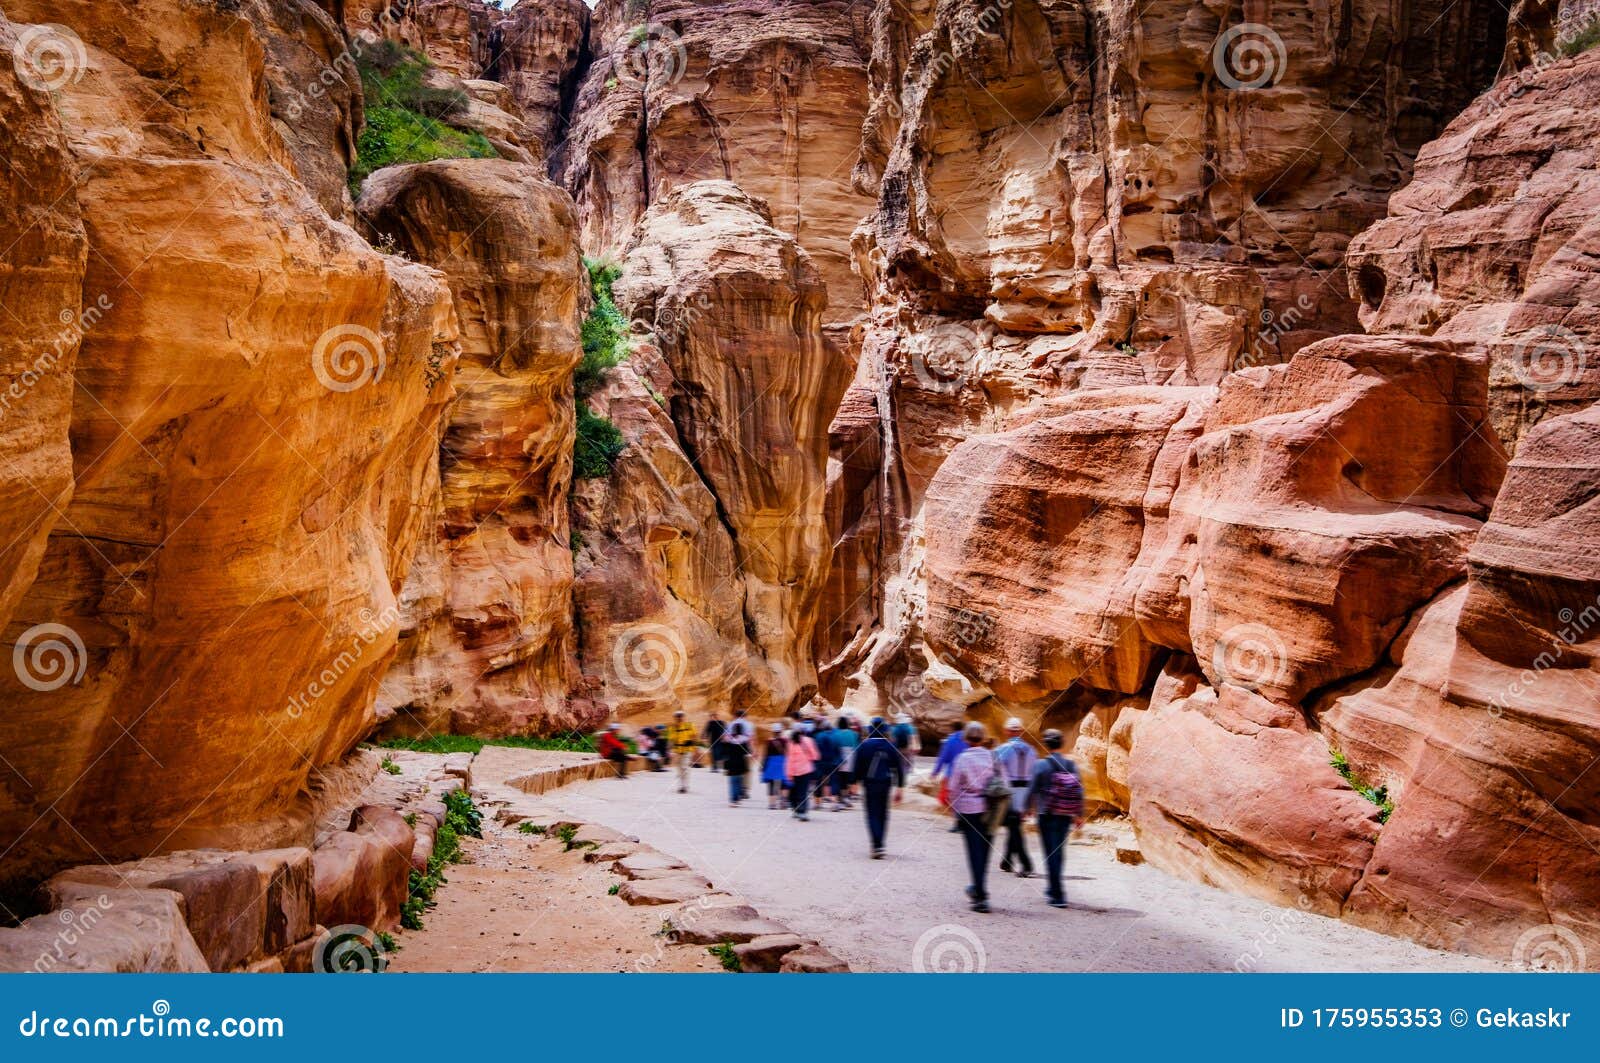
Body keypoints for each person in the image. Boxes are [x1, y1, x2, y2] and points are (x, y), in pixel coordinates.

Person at [1026, 729, 1082, 909]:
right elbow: (1079, 791)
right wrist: (1079, 814)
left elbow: (1032, 789)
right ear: (1061, 743)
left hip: (1046, 814)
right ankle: (1053, 890)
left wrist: (1026, 808)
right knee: (1058, 852)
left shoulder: (1040, 765)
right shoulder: (1071, 765)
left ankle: (1057, 893)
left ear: (1046, 744)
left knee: (1050, 853)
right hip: (1064, 815)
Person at [947, 721, 998, 912]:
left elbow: (953, 787)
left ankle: (980, 895)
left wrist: (955, 810)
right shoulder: (992, 756)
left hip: (969, 810)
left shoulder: (963, 759)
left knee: (974, 851)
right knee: (985, 851)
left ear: (966, 738)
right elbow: (1004, 781)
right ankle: (979, 888)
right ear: (983, 737)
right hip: (990, 808)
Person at [854, 718, 905, 858]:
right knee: (883, 814)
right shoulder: (890, 746)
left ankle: (876, 845)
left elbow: (858, 766)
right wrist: (900, 787)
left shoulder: (864, 746)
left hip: (870, 784)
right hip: (885, 783)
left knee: (872, 814)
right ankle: (880, 844)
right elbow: (899, 768)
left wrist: (854, 783)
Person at [993, 717, 1038, 879]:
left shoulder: (1001, 750)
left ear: (1007, 731)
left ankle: (1026, 863)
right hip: (1025, 792)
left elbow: (995, 773)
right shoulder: (1032, 751)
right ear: (1020, 731)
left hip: (1009, 792)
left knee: (1013, 827)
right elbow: (1034, 775)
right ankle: (1007, 860)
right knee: (1015, 826)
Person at [932, 723, 968, 831]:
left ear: (953, 729)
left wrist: (936, 771)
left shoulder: (950, 740)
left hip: (952, 774)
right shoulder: (968, 739)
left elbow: (943, 758)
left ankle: (958, 823)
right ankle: (965, 822)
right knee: (965, 797)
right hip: (967, 774)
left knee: (952, 798)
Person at [785, 726, 819, 821]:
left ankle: (796, 809)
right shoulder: (809, 740)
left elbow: (789, 759)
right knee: (803, 791)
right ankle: (803, 812)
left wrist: (789, 773)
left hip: (794, 770)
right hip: (806, 770)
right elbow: (815, 756)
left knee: (794, 791)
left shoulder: (790, 743)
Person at [830, 714, 860, 809]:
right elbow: (856, 747)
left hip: (838, 757)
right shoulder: (853, 734)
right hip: (850, 757)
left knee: (837, 779)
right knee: (846, 779)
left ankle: (839, 800)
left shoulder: (835, 733)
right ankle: (845, 798)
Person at [666, 710, 698, 793]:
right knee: (679, 769)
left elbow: (694, 736)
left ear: (683, 717)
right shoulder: (672, 728)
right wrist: (669, 750)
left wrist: (691, 743)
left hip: (687, 750)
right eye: (678, 716)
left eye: (681, 716)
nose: (679, 718)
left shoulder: (689, 725)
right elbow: (671, 740)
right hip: (677, 751)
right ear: (675, 718)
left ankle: (685, 786)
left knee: (684, 767)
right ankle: (681, 785)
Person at [761, 723, 789, 808]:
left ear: (773, 732)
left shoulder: (769, 742)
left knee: (771, 783)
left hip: (771, 762)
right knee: (784, 782)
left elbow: (766, 755)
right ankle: (783, 802)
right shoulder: (785, 741)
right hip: (782, 762)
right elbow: (787, 752)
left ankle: (772, 804)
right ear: (781, 731)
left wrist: (763, 766)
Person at [722, 733, 751, 806]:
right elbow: (747, 752)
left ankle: (733, 800)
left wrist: (725, 741)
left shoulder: (729, 743)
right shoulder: (743, 743)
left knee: (732, 783)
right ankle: (737, 799)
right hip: (740, 765)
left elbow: (724, 753)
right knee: (739, 782)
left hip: (731, 765)